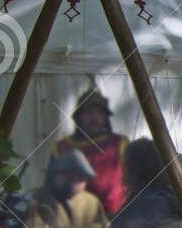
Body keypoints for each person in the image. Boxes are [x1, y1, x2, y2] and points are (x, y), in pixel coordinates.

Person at [53, 87, 129, 215]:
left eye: (99, 113)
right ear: (78, 117)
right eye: (89, 113)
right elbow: (52, 188)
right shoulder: (61, 147)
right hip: (74, 222)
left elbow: (135, 183)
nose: (95, 118)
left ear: (105, 117)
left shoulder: (120, 143)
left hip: (114, 219)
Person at [23, 148, 108, 228]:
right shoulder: (39, 200)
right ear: (55, 175)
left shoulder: (92, 201)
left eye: (81, 177)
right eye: (68, 175)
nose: (75, 181)